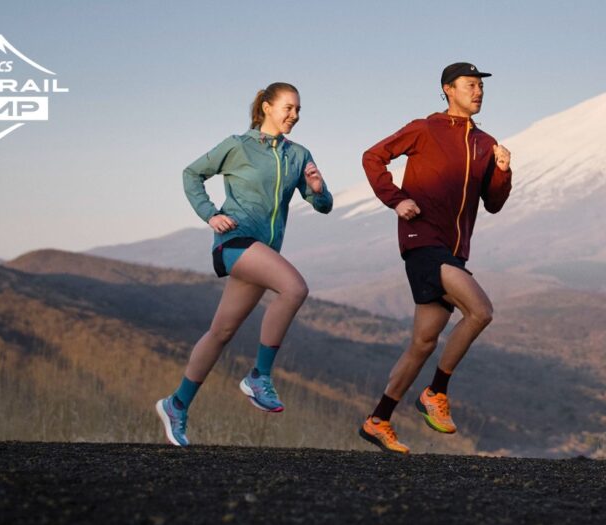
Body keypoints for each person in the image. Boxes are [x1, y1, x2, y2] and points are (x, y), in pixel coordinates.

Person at [156, 82, 333, 447]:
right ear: (267, 107)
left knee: (221, 332)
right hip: (235, 242)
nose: (294, 115)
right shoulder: (237, 145)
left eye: (298, 110)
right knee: (295, 288)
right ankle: (259, 377)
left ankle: (176, 404)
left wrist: (318, 188)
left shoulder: (298, 155)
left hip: (263, 251)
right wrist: (210, 214)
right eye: (287, 107)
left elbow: (323, 206)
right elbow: (191, 174)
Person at [357, 63, 513, 453]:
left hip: (454, 250)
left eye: (481, 86)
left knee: (423, 343)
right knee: (480, 311)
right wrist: (397, 199)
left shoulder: (486, 143)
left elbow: (492, 204)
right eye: (470, 85)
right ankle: (436, 392)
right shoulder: (424, 129)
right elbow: (372, 157)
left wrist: (503, 171)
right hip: (422, 240)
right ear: (448, 89)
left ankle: (378, 419)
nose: (478, 91)